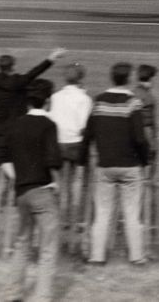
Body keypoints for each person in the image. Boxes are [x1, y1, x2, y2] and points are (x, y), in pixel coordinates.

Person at [0, 30, 65, 209]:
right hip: (11, 131)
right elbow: (35, 72)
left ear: (0, 67)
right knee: (16, 164)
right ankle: (18, 196)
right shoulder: (18, 82)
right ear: (13, 66)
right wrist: (52, 57)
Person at [0, 78, 62, 302]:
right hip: (43, 190)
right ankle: (42, 296)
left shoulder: (15, 124)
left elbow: (3, 159)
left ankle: (12, 293)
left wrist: (19, 177)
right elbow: (53, 160)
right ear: (47, 101)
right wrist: (56, 184)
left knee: (22, 243)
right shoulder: (49, 125)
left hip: (22, 192)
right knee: (48, 246)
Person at [81, 62, 150, 265]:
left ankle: (97, 256)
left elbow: (88, 134)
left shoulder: (99, 102)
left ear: (112, 77)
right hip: (130, 165)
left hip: (105, 165)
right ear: (128, 79)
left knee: (102, 213)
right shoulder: (133, 103)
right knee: (131, 213)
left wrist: (82, 158)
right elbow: (140, 138)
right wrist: (144, 159)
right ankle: (136, 256)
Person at [48, 62, 92, 229]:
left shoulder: (55, 97)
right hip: (76, 143)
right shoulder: (84, 99)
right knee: (78, 182)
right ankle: (77, 217)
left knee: (61, 182)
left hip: (59, 142)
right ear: (80, 78)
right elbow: (83, 125)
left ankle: (62, 217)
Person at [134, 64, 158, 167]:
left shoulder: (132, 93)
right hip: (145, 138)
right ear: (150, 79)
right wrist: (153, 143)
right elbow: (147, 122)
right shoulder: (147, 97)